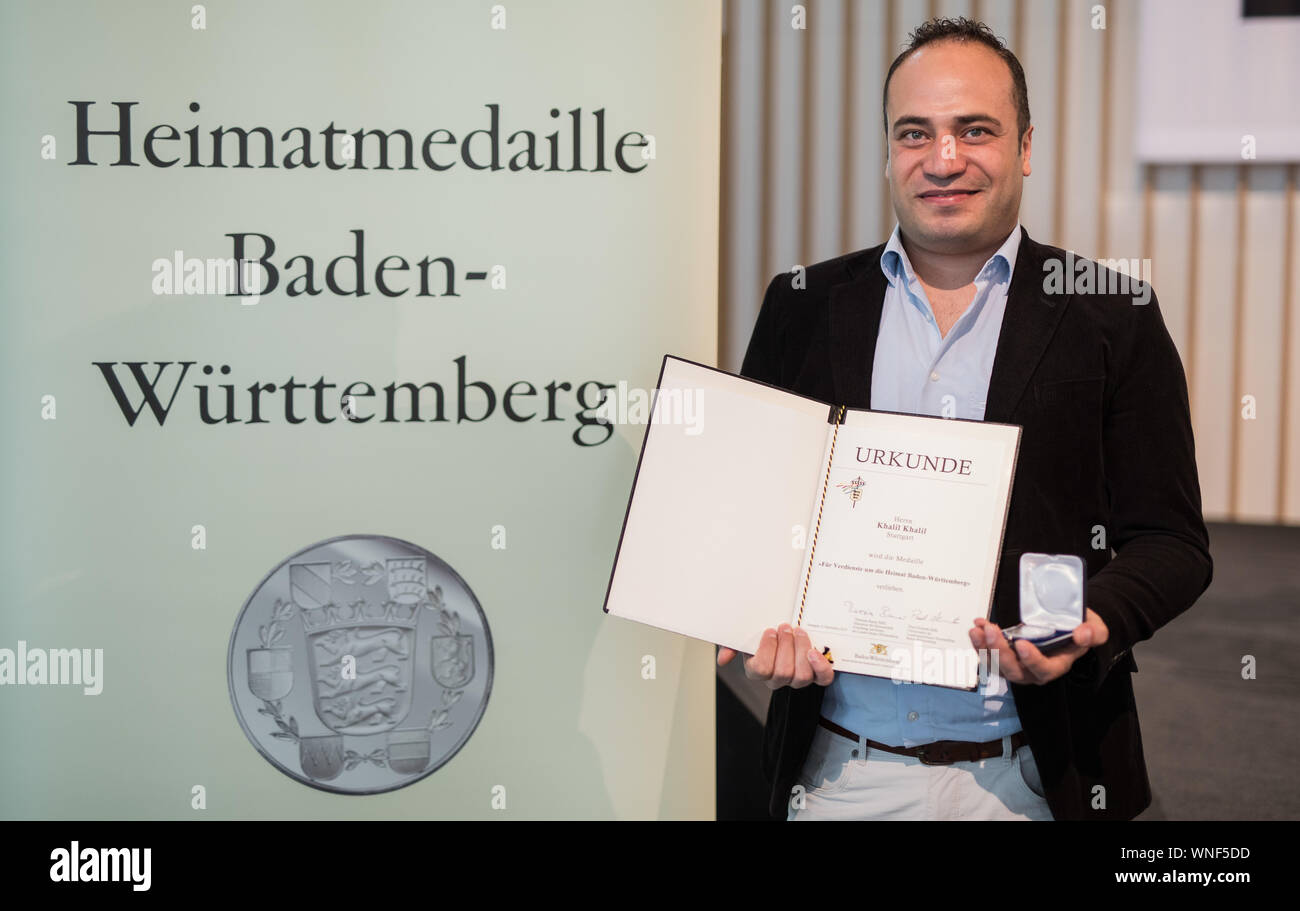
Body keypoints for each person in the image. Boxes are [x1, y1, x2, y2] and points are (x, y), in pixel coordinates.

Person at [717, 16, 1212, 821]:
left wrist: (1091, 624)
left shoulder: (1113, 314)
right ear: (888, 151)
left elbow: (1174, 543)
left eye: (973, 130)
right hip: (836, 771)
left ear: (1023, 147)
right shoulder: (802, 307)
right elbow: (750, 516)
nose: (943, 159)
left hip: (1035, 778)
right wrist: (749, 617)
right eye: (916, 133)